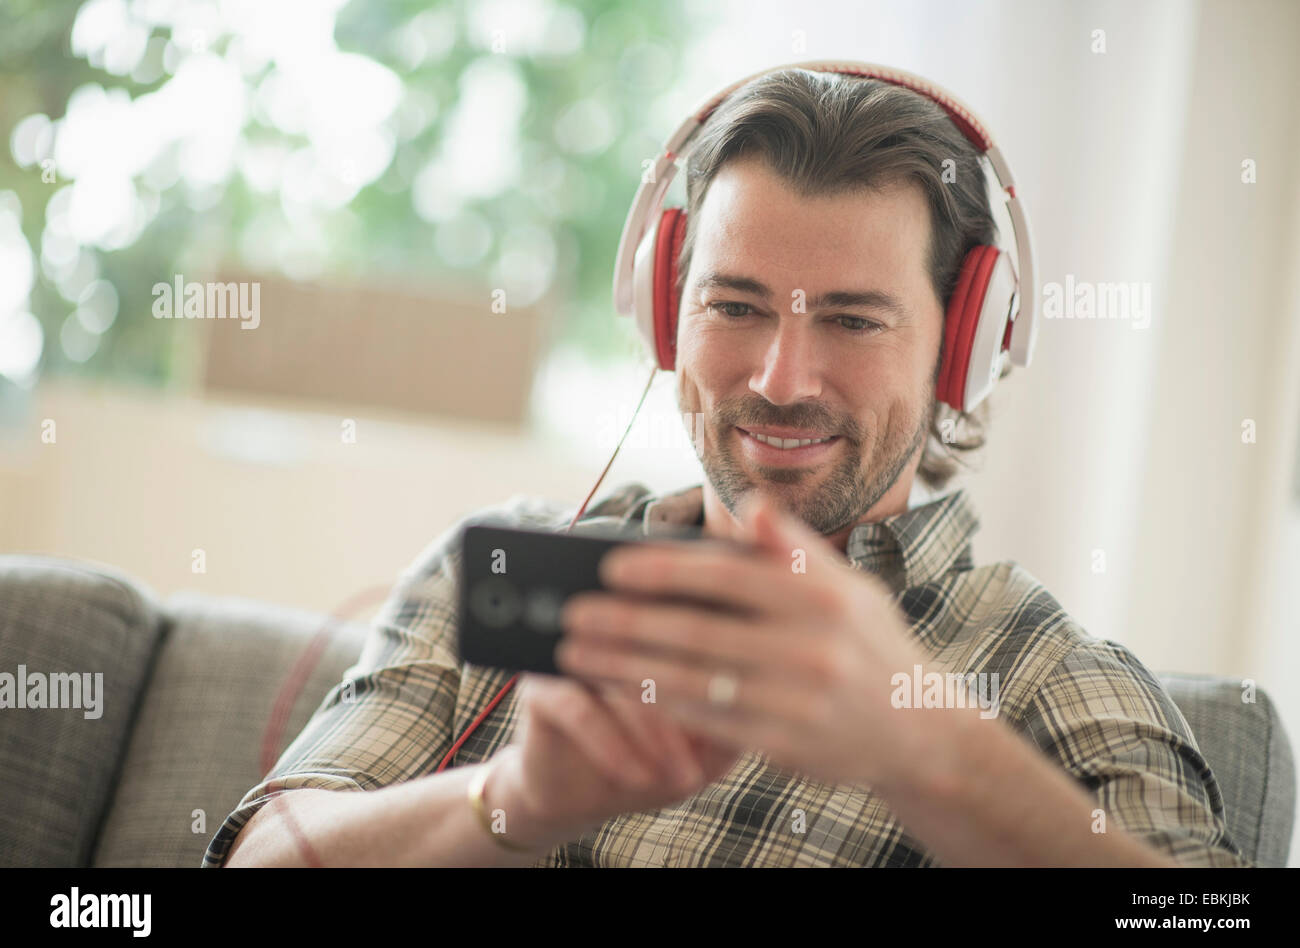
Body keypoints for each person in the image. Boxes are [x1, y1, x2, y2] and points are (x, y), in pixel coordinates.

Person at [204, 65, 1249, 868]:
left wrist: (927, 751)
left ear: (962, 351)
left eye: (851, 319)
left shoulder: (1046, 673)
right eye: (734, 306)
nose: (781, 378)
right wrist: (518, 796)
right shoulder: (510, 575)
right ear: (668, 310)